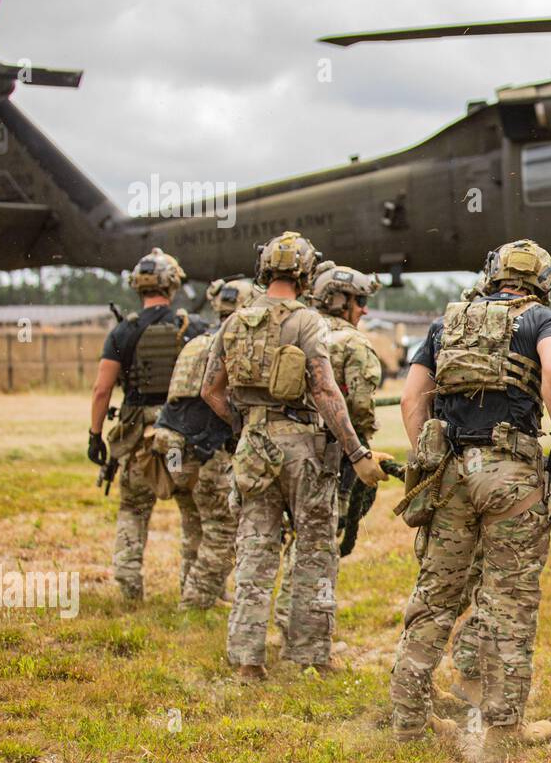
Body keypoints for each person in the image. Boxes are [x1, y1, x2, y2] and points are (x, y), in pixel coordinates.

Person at [391, 239, 551, 751]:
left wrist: (431, 454)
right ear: (541, 280)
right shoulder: (544, 320)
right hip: (509, 472)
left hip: (449, 473)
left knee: (434, 597)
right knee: (509, 601)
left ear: (492, 275)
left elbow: (411, 397)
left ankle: (408, 720)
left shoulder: (446, 323)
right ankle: (503, 728)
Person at [201, 231, 387, 679]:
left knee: (255, 552)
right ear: (306, 273)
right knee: (315, 551)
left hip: (253, 448)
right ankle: (310, 653)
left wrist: (246, 427)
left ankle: (247, 661)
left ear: (264, 269)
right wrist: (356, 451)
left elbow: (210, 389)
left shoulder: (233, 321)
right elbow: (324, 390)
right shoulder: (308, 323)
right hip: (303, 448)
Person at [88, 247, 208, 604]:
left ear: (137, 287)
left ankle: (128, 589)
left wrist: (95, 436)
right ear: (172, 286)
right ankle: (193, 588)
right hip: (182, 437)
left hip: (139, 437)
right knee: (193, 511)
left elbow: (102, 389)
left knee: (134, 509)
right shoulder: (194, 327)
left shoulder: (123, 332)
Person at [275, 264, 385, 650]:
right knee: (320, 547)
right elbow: (359, 408)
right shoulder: (353, 343)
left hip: (282, 453)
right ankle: (309, 641)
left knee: (294, 540)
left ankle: (286, 618)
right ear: (342, 300)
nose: (365, 311)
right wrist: (363, 452)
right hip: (333, 458)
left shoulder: (297, 327)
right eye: (361, 301)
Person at [154, 277, 255, 610]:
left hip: (169, 446)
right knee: (222, 529)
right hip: (203, 450)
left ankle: (199, 591)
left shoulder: (196, 341)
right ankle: (195, 602)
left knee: (193, 525)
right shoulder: (234, 346)